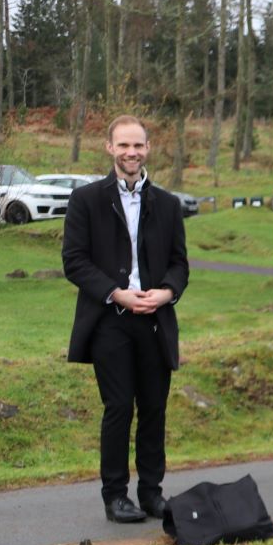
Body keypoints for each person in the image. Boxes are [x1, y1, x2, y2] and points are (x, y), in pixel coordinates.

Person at [62, 115, 189, 524]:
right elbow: (75, 262)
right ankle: (115, 496)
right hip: (110, 319)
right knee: (119, 407)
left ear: (148, 149)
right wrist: (116, 293)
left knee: (154, 409)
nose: (131, 153)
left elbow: (179, 264)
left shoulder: (168, 204)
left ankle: (151, 493)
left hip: (155, 320)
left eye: (138, 146)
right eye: (123, 146)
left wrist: (166, 292)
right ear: (109, 148)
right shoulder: (86, 200)